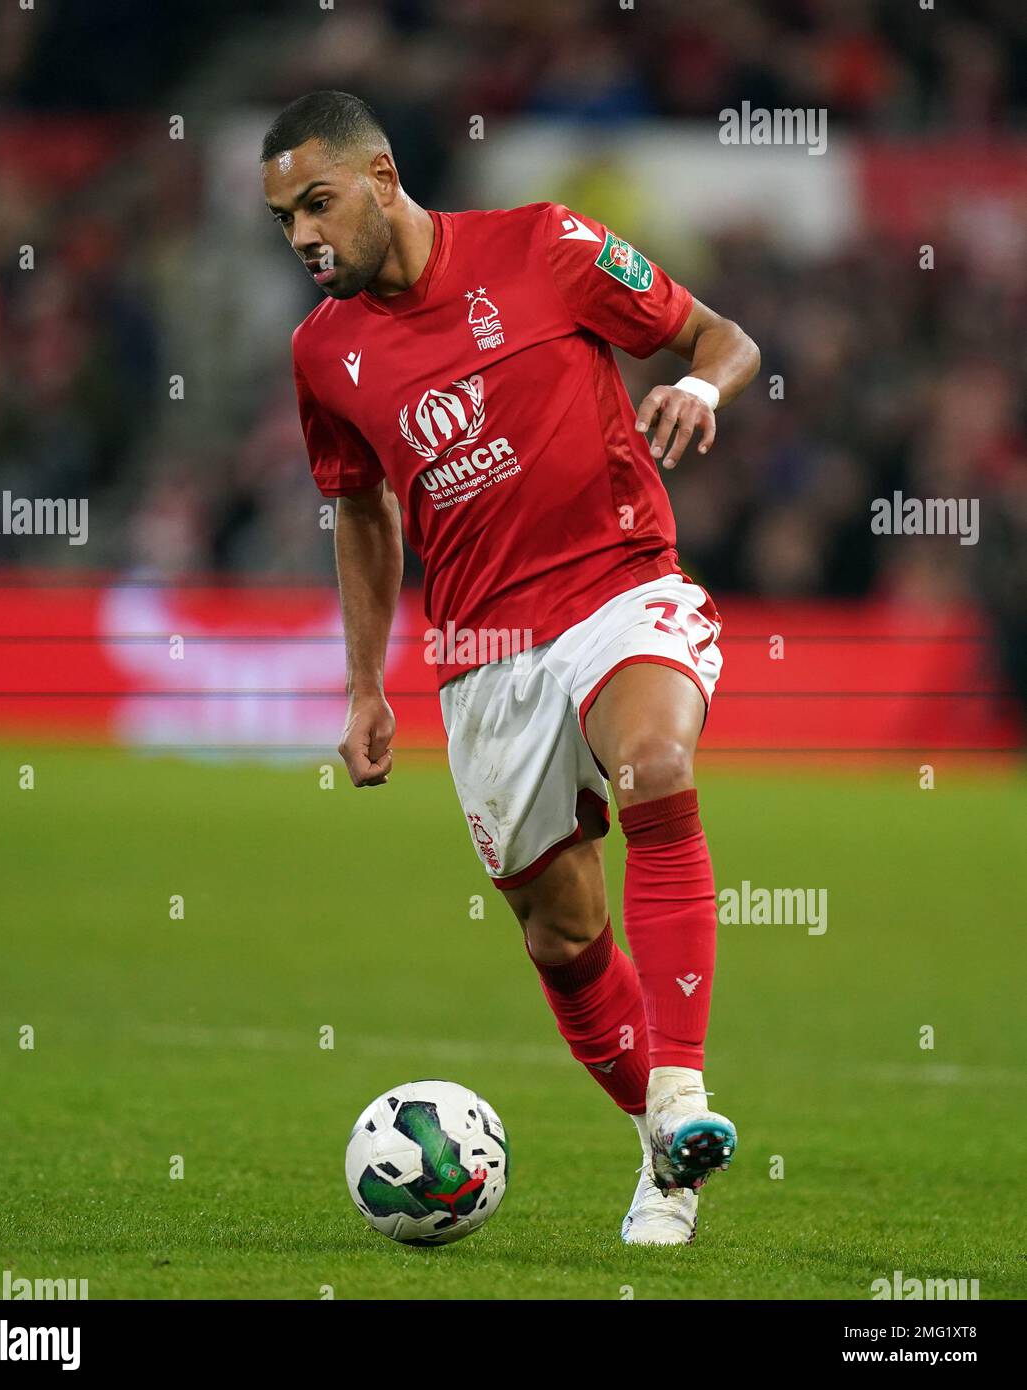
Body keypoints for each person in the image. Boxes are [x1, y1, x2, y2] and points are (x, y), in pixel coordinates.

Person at [263, 90, 760, 1245]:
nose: (302, 238)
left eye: (319, 204)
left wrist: (698, 386)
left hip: (620, 587)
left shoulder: (546, 244)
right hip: (485, 655)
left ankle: (681, 1106)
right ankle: (661, 1149)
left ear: (383, 178)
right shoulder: (322, 355)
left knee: (656, 763)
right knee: (562, 929)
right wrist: (364, 683)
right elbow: (360, 512)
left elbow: (721, 338)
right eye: (284, 218)